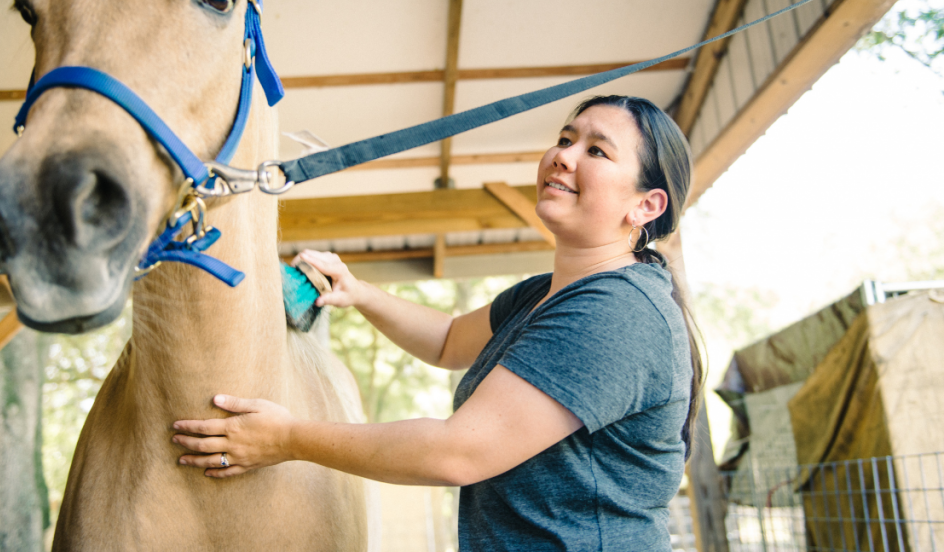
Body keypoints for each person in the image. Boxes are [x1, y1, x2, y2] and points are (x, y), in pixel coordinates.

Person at [173, 95, 704, 551]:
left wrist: (285, 438)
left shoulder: (617, 312)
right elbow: (451, 340)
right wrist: (360, 294)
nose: (563, 156)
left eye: (595, 150)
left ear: (645, 205)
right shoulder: (545, 294)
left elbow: (458, 452)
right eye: (565, 138)